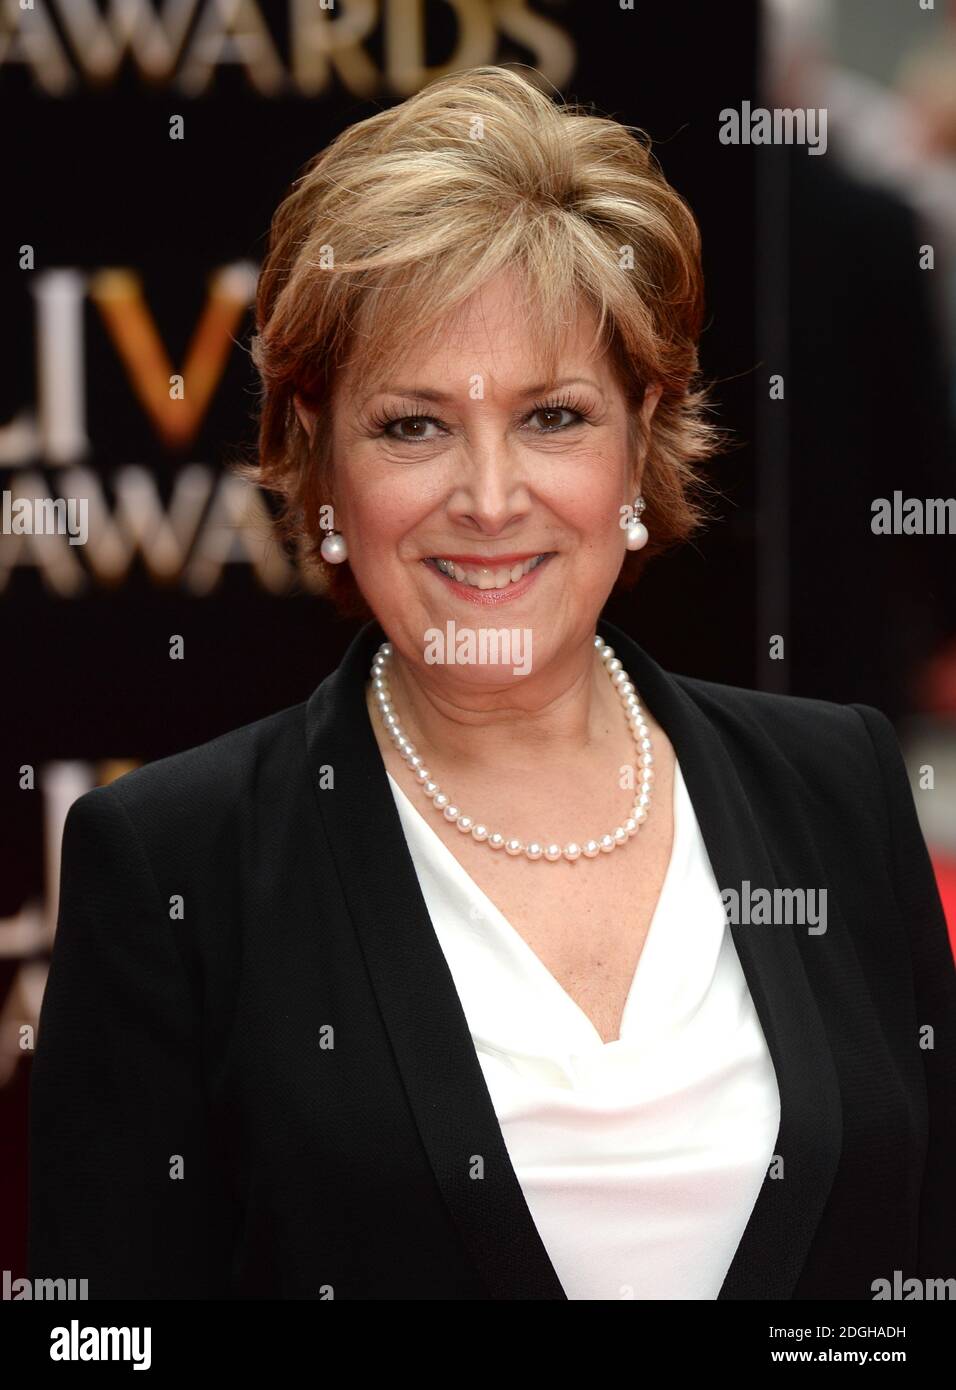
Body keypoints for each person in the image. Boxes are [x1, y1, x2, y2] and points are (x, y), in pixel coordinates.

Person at [29, 65, 955, 1301]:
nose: (487, 497)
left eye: (552, 417)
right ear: (319, 463)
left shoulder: (832, 783)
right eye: (411, 424)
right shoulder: (174, 866)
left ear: (643, 435)